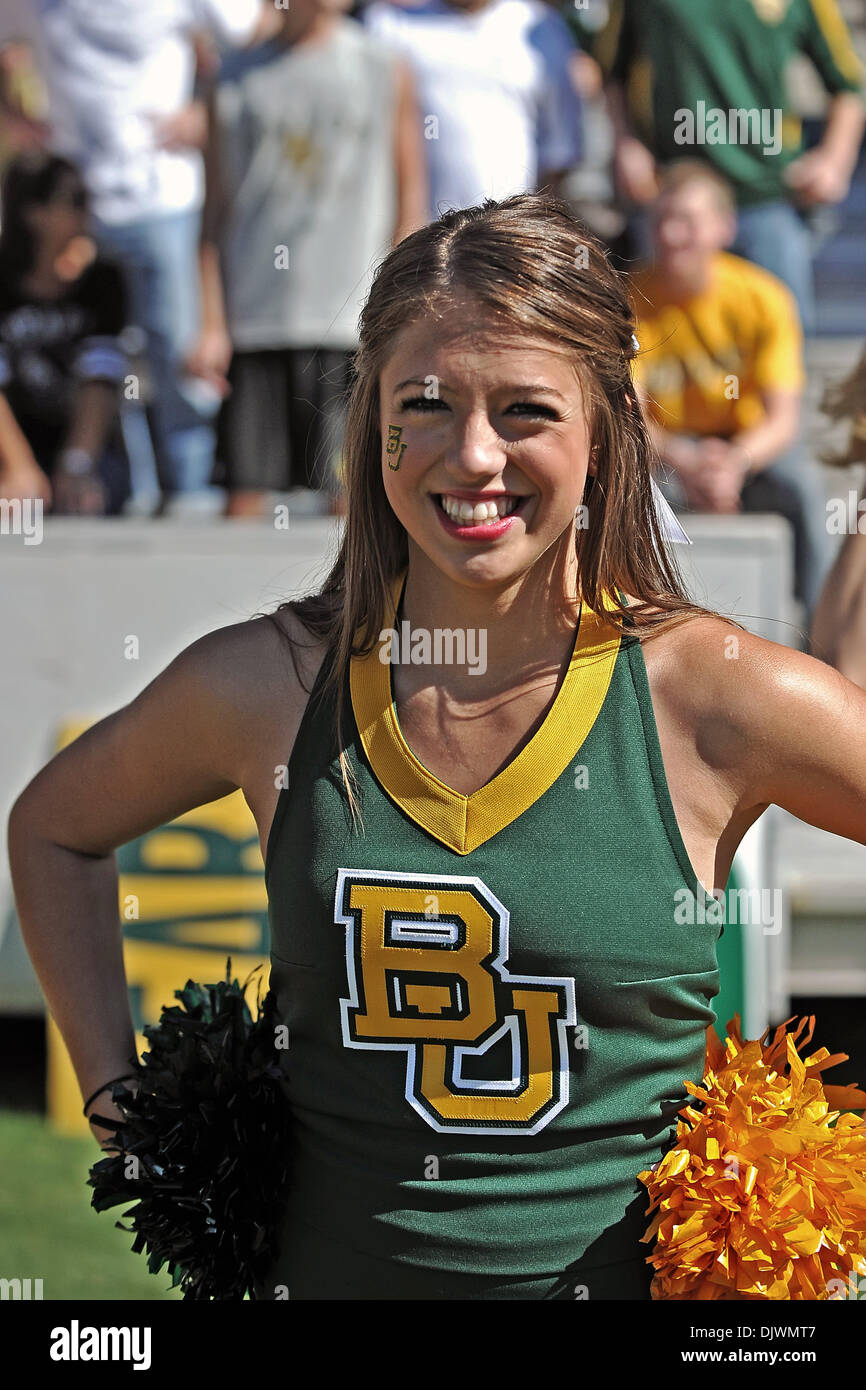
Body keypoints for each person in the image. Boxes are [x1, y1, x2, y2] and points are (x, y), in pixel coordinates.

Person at [10, 192, 866, 1300]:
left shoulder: (712, 695)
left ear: (606, 428)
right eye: (426, 403)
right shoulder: (267, 686)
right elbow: (54, 829)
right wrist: (124, 1114)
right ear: (372, 421)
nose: (471, 456)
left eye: (523, 411)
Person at [0, 0, 279, 513]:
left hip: (161, 202)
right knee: (85, 352)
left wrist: (207, 111)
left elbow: (263, 29)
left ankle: (188, 494)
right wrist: (14, 116)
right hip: (74, 204)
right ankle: (106, 484)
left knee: (177, 353)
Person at [189, 0, 428, 517]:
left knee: (352, 505)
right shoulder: (233, 76)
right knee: (243, 504)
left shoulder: (384, 67)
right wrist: (211, 322)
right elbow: (213, 213)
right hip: (256, 320)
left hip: (351, 319)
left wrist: (400, 309)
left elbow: (410, 201)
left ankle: (351, 605)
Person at [631, 160, 833, 623]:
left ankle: (820, 629)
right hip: (665, 450)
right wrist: (688, 462)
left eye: (687, 221)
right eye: (662, 220)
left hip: (746, 447)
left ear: (724, 227)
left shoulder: (763, 298)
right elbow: (631, 420)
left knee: (801, 486)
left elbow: (783, 420)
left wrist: (734, 463)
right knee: (619, 483)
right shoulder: (629, 300)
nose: (672, 235)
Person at [585, 0, 865, 333]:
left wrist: (835, 159)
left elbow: (849, 83)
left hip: (766, 199)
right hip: (671, 202)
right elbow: (611, 68)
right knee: (655, 342)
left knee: (776, 342)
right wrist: (625, 144)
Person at [361, 0, 583, 218]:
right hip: (418, 240)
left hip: (512, 237)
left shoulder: (541, 28)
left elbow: (558, 152)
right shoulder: (389, 25)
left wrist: (535, 226)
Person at [0, 152, 129, 515]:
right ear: (33, 213)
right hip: (11, 448)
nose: (86, 212)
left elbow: (100, 377)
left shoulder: (103, 282)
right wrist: (18, 467)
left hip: (80, 447)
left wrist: (76, 465)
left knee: (93, 496)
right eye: (74, 201)